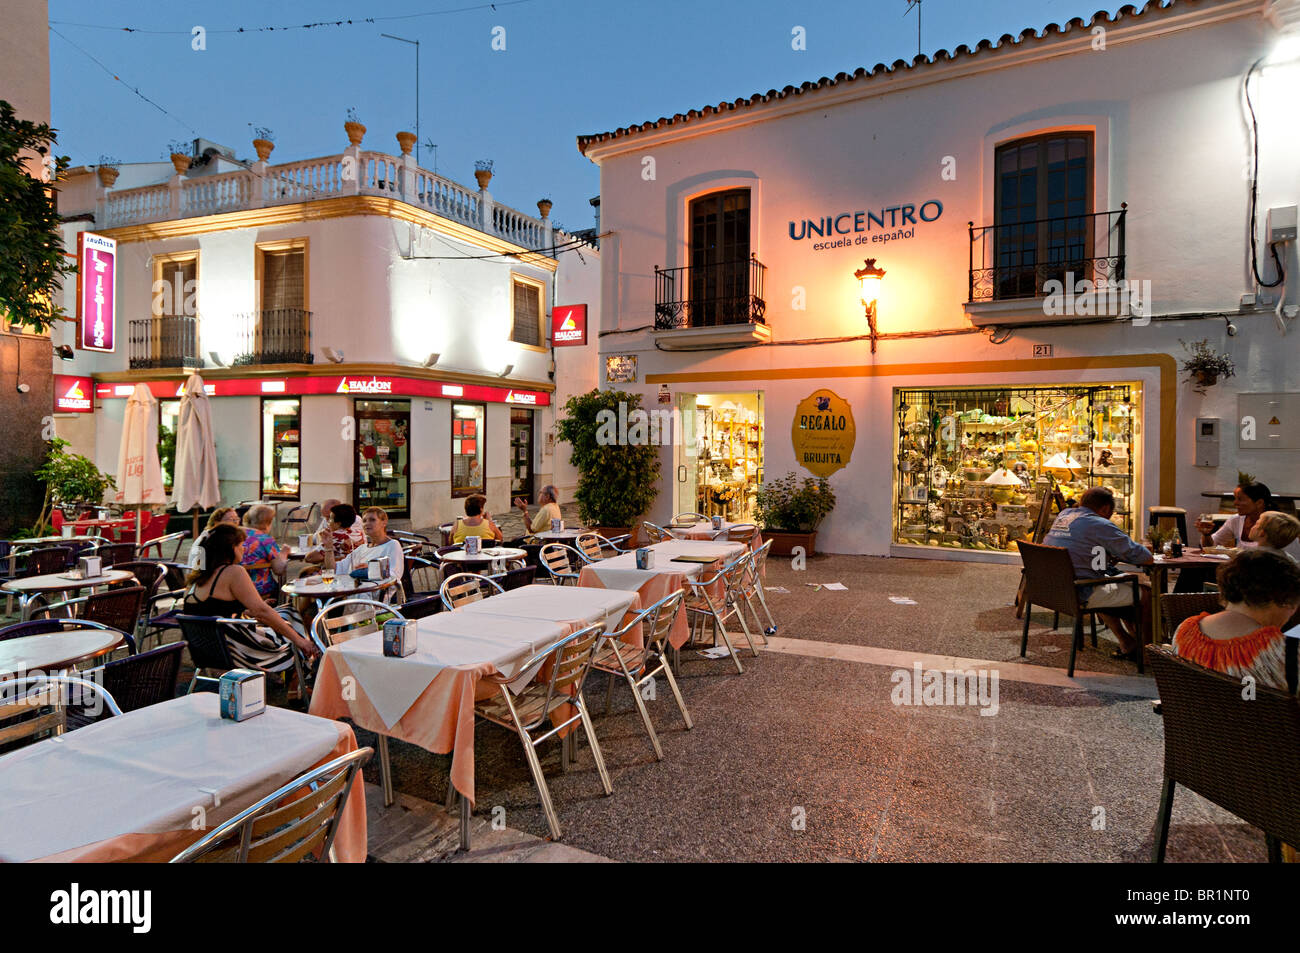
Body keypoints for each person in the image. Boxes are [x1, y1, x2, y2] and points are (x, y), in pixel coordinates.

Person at [183, 524, 319, 672]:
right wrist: (300, 641)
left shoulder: (198, 576)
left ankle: (295, 682)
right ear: (231, 548)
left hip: (207, 651)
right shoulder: (233, 572)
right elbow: (262, 612)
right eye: (241, 545)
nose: (244, 549)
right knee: (291, 624)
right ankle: (300, 677)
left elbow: (211, 610)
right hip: (238, 652)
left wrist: (246, 610)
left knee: (285, 613)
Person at [1043, 486, 1154, 658]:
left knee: (1112, 579)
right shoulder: (1099, 523)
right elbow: (1144, 557)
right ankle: (1148, 653)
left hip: (1053, 588)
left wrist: (1107, 553)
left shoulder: (1064, 515)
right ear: (1105, 508)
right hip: (1080, 591)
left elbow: (1083, 549)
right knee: (1146, 593)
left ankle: (1127, 642)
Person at [305, 506, 405, 603]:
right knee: (311, 595)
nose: (367, 524)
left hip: (372, 601)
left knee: (317, 603)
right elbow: (334, 569)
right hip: (350, 595)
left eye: (372, 520)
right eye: (364, 521)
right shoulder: (362, 549)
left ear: (384, 522)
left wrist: (372, 569)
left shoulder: (392, 545)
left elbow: (394, 576)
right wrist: (328, 547)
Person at [1196, 482, 1274, 549]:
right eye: (1235, 498)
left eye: (1240, 499)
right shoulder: (1236, 520)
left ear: (1259, 502)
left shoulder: (1274, 524)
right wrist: (1206, 535)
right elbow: (1211, 546)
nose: (1235, 503)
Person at [241, 504, 287, 599]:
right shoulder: (265, 539)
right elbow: (279, 570)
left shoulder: (235, 534)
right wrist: (284, 552)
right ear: (268, 523)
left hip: (235, 587)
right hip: (259, 589)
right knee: (283, 588)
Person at [305, 499, 365, 565]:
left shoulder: (335, 536)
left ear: (338, 523)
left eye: (330, 518)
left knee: (306, 572)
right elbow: (315, 537)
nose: (327, 521)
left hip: (338, 570)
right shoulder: (359, 533)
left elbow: (309, 558)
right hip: (354, 567)